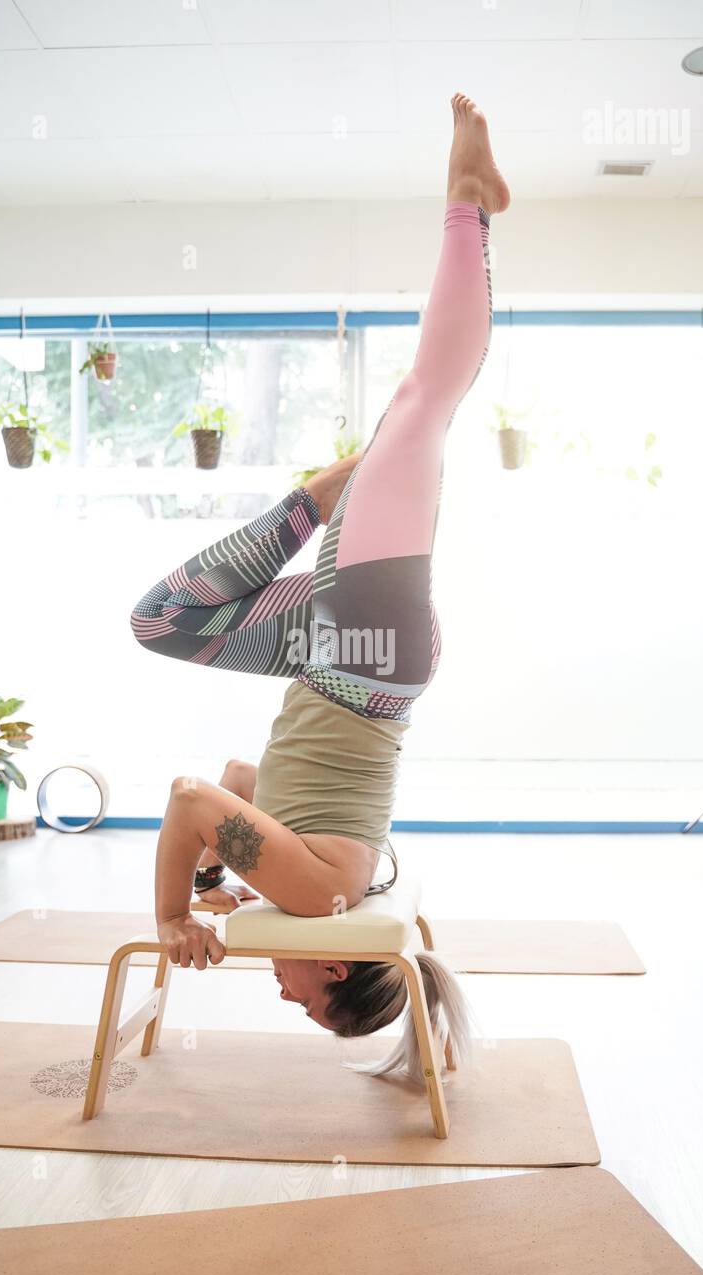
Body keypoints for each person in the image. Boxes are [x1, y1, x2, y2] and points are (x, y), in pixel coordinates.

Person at [131, 94, 509, 1069]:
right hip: (358, 648)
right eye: (308, 1006)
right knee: (426, 396)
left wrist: (226, 868)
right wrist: (175, 913)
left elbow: (246, 784)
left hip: (340, 654)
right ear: (337, 968)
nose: (285, 995)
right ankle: (467, 200)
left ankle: (324, 492)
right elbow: (185, 799)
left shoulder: (318, 881)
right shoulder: (317, 896)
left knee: (164, 621)